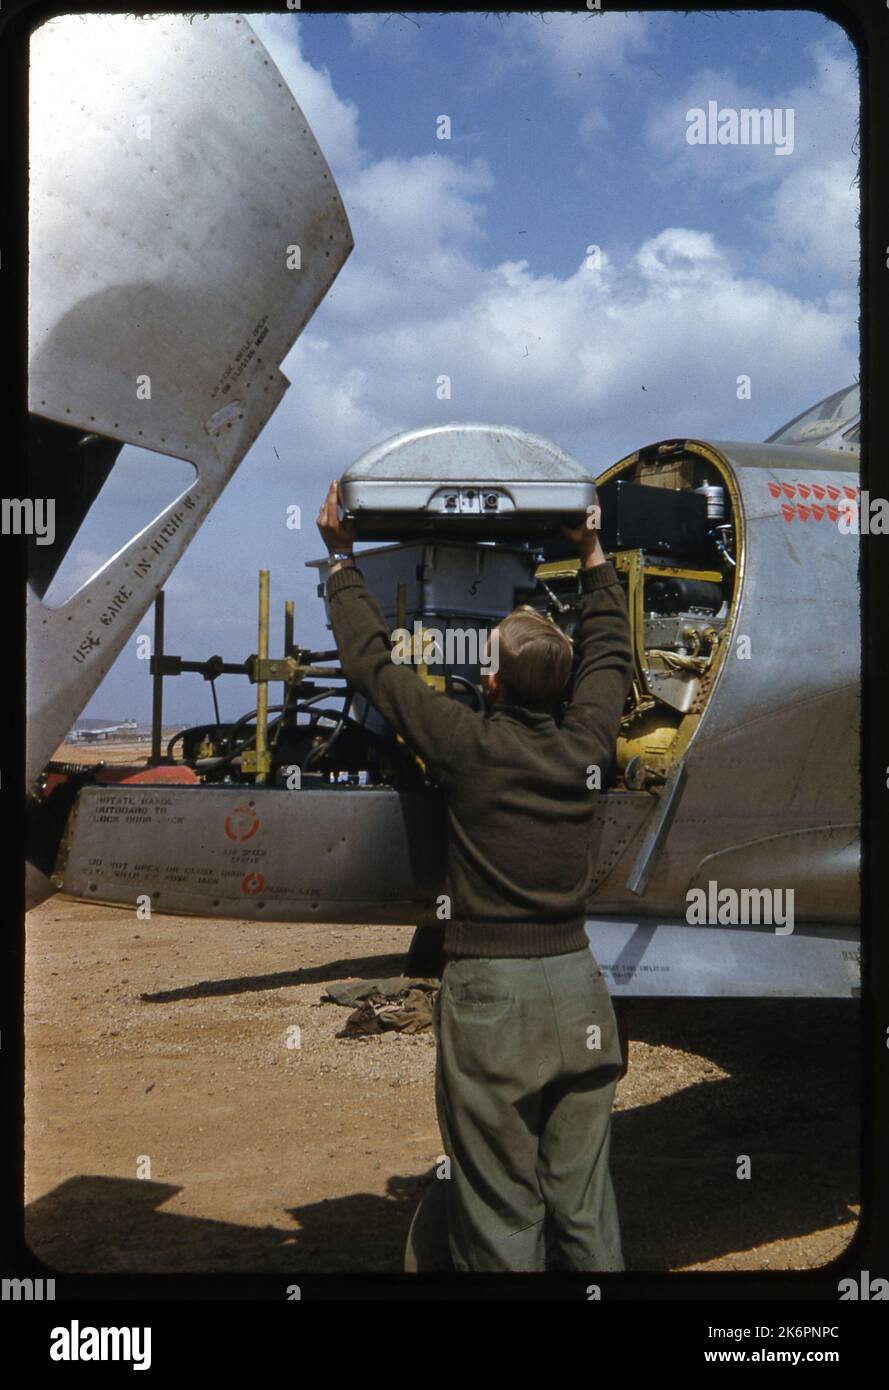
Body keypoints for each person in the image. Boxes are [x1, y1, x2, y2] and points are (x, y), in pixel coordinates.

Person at [316, 479, 634, 1273]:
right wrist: (593, 555)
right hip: (579, 987)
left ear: (487, 682)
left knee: (499, 1206)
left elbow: (371, 666)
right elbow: (610, 657)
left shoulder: (464, 745)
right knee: (584, 1199)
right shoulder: (588, 741)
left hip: (495, 999)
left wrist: (341, 561)